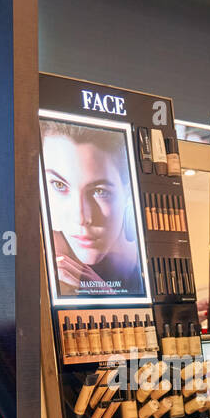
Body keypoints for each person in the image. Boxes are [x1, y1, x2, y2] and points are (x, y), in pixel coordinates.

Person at [41, 119, 144, 298]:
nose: (81, 217)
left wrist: (106, 296)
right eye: (59, 185)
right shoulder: (50, 258)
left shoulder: (146, 265)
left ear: (128, 190)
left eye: (99, 191)